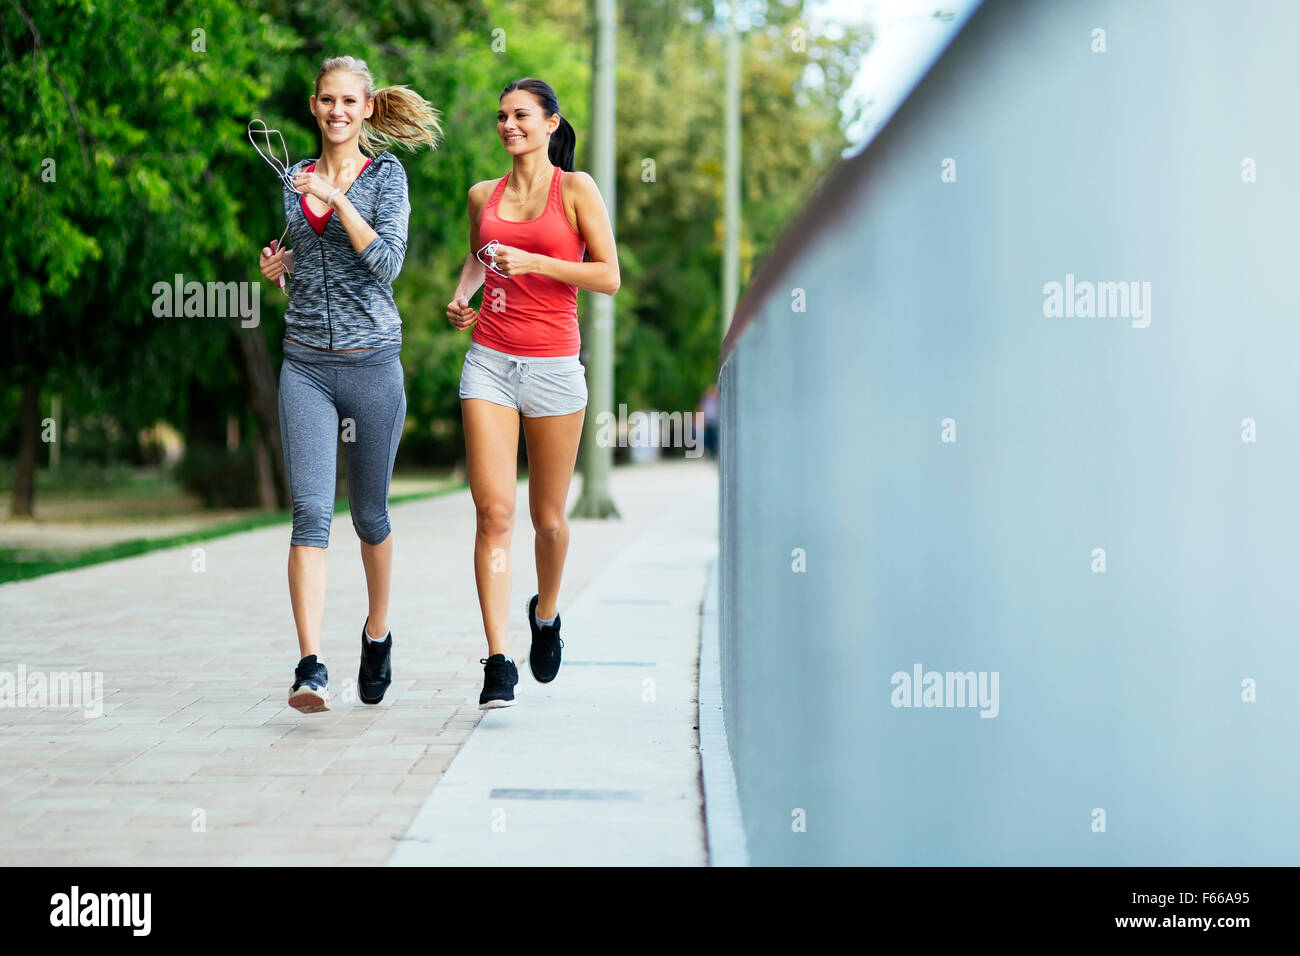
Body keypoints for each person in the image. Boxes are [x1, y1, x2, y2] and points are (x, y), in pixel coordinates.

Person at [258, 55, 440, 713]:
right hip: (305, 362)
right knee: (310, 512)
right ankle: (310, 666)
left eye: (348, 102)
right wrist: (278, 270)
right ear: (314, 106)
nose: (337, 111)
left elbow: (387, 264)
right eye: (326, 100)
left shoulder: (387, 177)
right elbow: (305, 271)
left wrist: (336, 201)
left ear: (366, 110)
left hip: (372, 363)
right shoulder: (292, 180)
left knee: (369, 516)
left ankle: (378, 632)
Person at [446, 78, 620, 709]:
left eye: (521, 115)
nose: (508, 125)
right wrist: (464, 296)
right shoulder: (481, 196)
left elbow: (608, 276)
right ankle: (497, 661)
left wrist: (539, 263)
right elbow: (479, 255)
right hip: (489, 361)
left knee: (548, 519)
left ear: (551, 123)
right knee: (493, 513)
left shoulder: (576, 190)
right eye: (501, 116)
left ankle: (545, 614)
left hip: (553, 368)